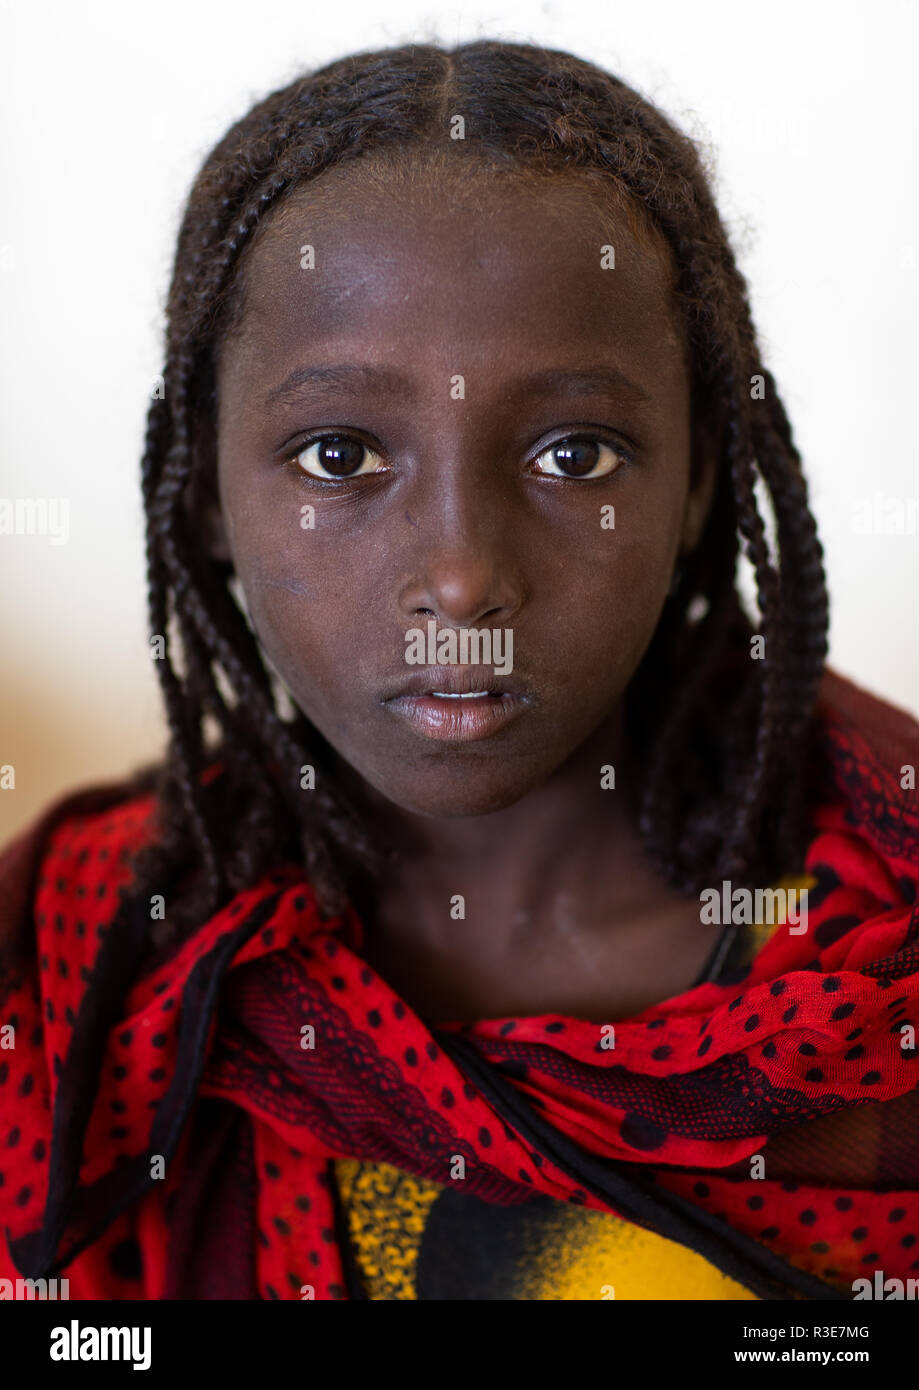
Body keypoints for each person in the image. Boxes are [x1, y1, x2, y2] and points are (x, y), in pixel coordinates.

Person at [1, 39, 917, 1302]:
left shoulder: (888, 941)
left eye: (575, 456)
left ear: (700, 475)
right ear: (206, 487)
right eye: (337, 456)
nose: (461, 575)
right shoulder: (80, 972)